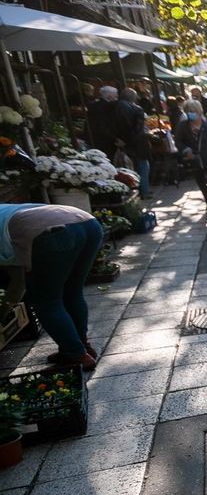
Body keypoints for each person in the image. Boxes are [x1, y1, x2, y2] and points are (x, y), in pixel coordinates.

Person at [0, 203, 106, 370]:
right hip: (87, 222)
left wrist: (3, 311)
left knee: (46, 302)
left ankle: (77, 354)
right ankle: (79, 346)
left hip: (51, 234)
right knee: (72, 293)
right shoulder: (4, 210)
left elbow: (18, 282)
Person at [174, 99, 207, 216]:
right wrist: (185, 150)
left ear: (199, 111)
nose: (190, 114)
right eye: (188, 111)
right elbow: (178, 142)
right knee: (201, 183)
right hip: (194, 160)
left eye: (193, 111)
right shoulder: (183, 126)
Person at [116, 88, 153, 199]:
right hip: (137, 144)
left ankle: (133, 191)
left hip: (121, 142)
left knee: (127, 168)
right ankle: (144, 191)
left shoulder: (114, 108)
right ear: (133, 98)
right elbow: (138, 130)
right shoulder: (137, 109)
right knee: (143, 166)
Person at [85, 86, 120, 157]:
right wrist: (115, 138)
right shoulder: (111, 107)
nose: (116, 97)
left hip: (93, 136)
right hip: (107, 139)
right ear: (109, 96)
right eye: (115, 95)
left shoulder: (92, 104)